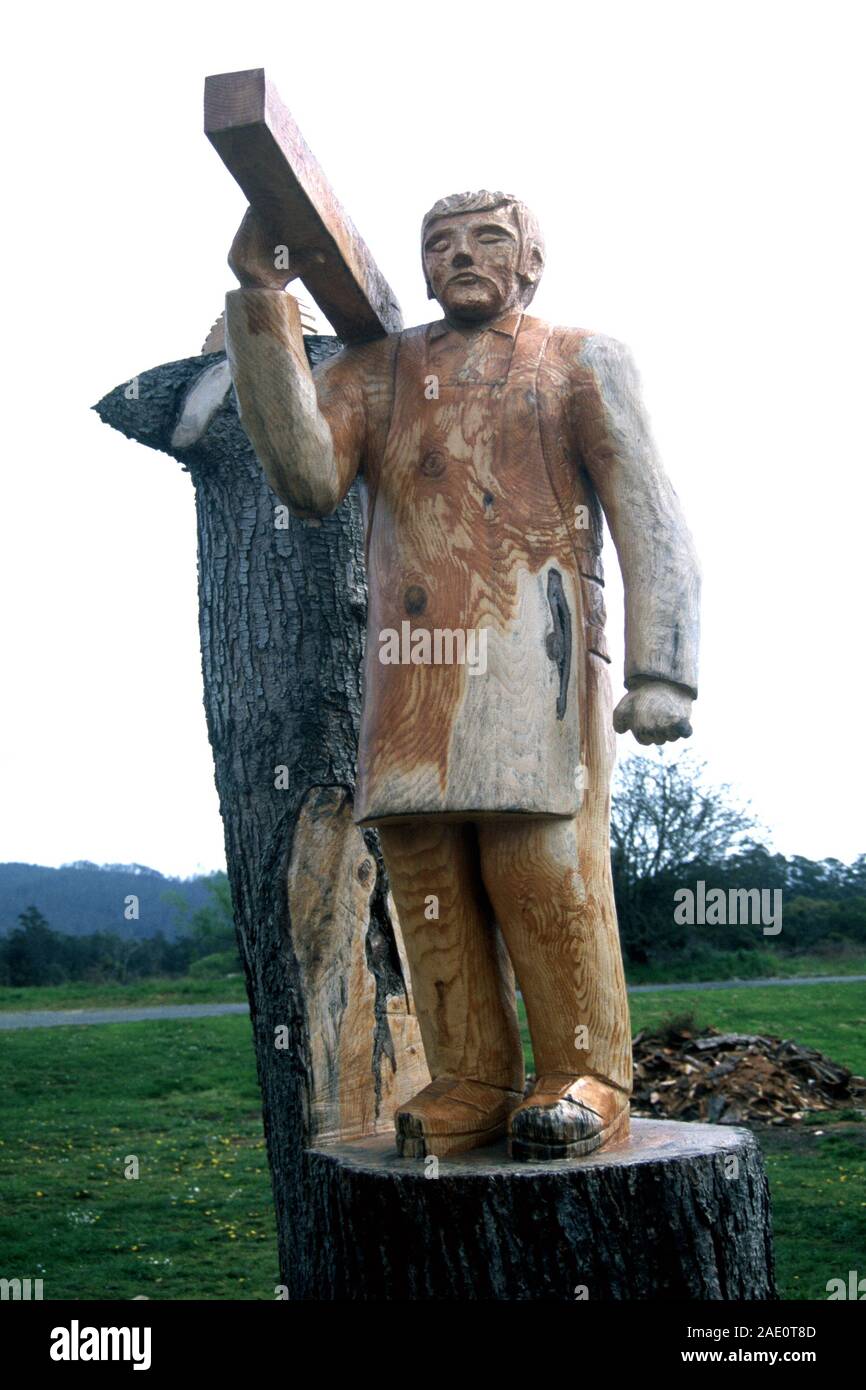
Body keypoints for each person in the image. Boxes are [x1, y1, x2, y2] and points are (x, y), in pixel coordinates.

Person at [225, 190, 700, 1160]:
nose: (460, 257)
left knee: (539, 867)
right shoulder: (375, 373)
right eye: (438, 244)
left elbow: (649, 510)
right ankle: (472, 1075)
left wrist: (663, 671)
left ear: (530, 262)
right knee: (428, 870)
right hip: (409, 680)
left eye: (487, 240)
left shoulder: (577, 359)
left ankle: (586, 1074)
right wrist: (263, 301)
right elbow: (304, 477)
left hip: (536, 656)